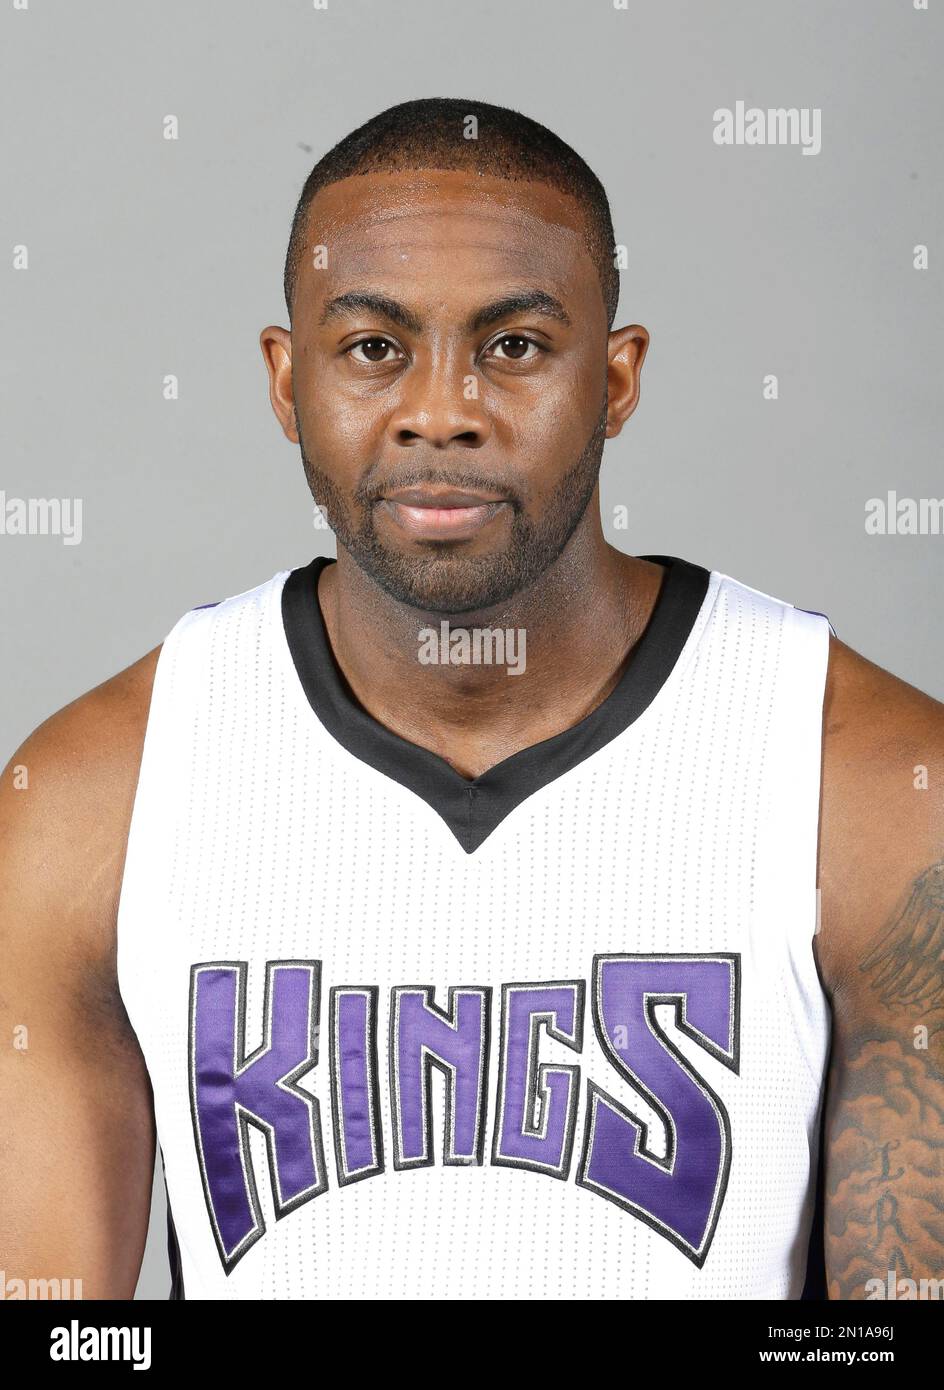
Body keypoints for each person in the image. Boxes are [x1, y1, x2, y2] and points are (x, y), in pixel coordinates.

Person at [1, 98, 941, 1300]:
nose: (440, 411)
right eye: (372, 348)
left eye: (514, 347)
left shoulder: (868, 785)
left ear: (615, 380)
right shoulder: (92, 800)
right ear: (286, 382)